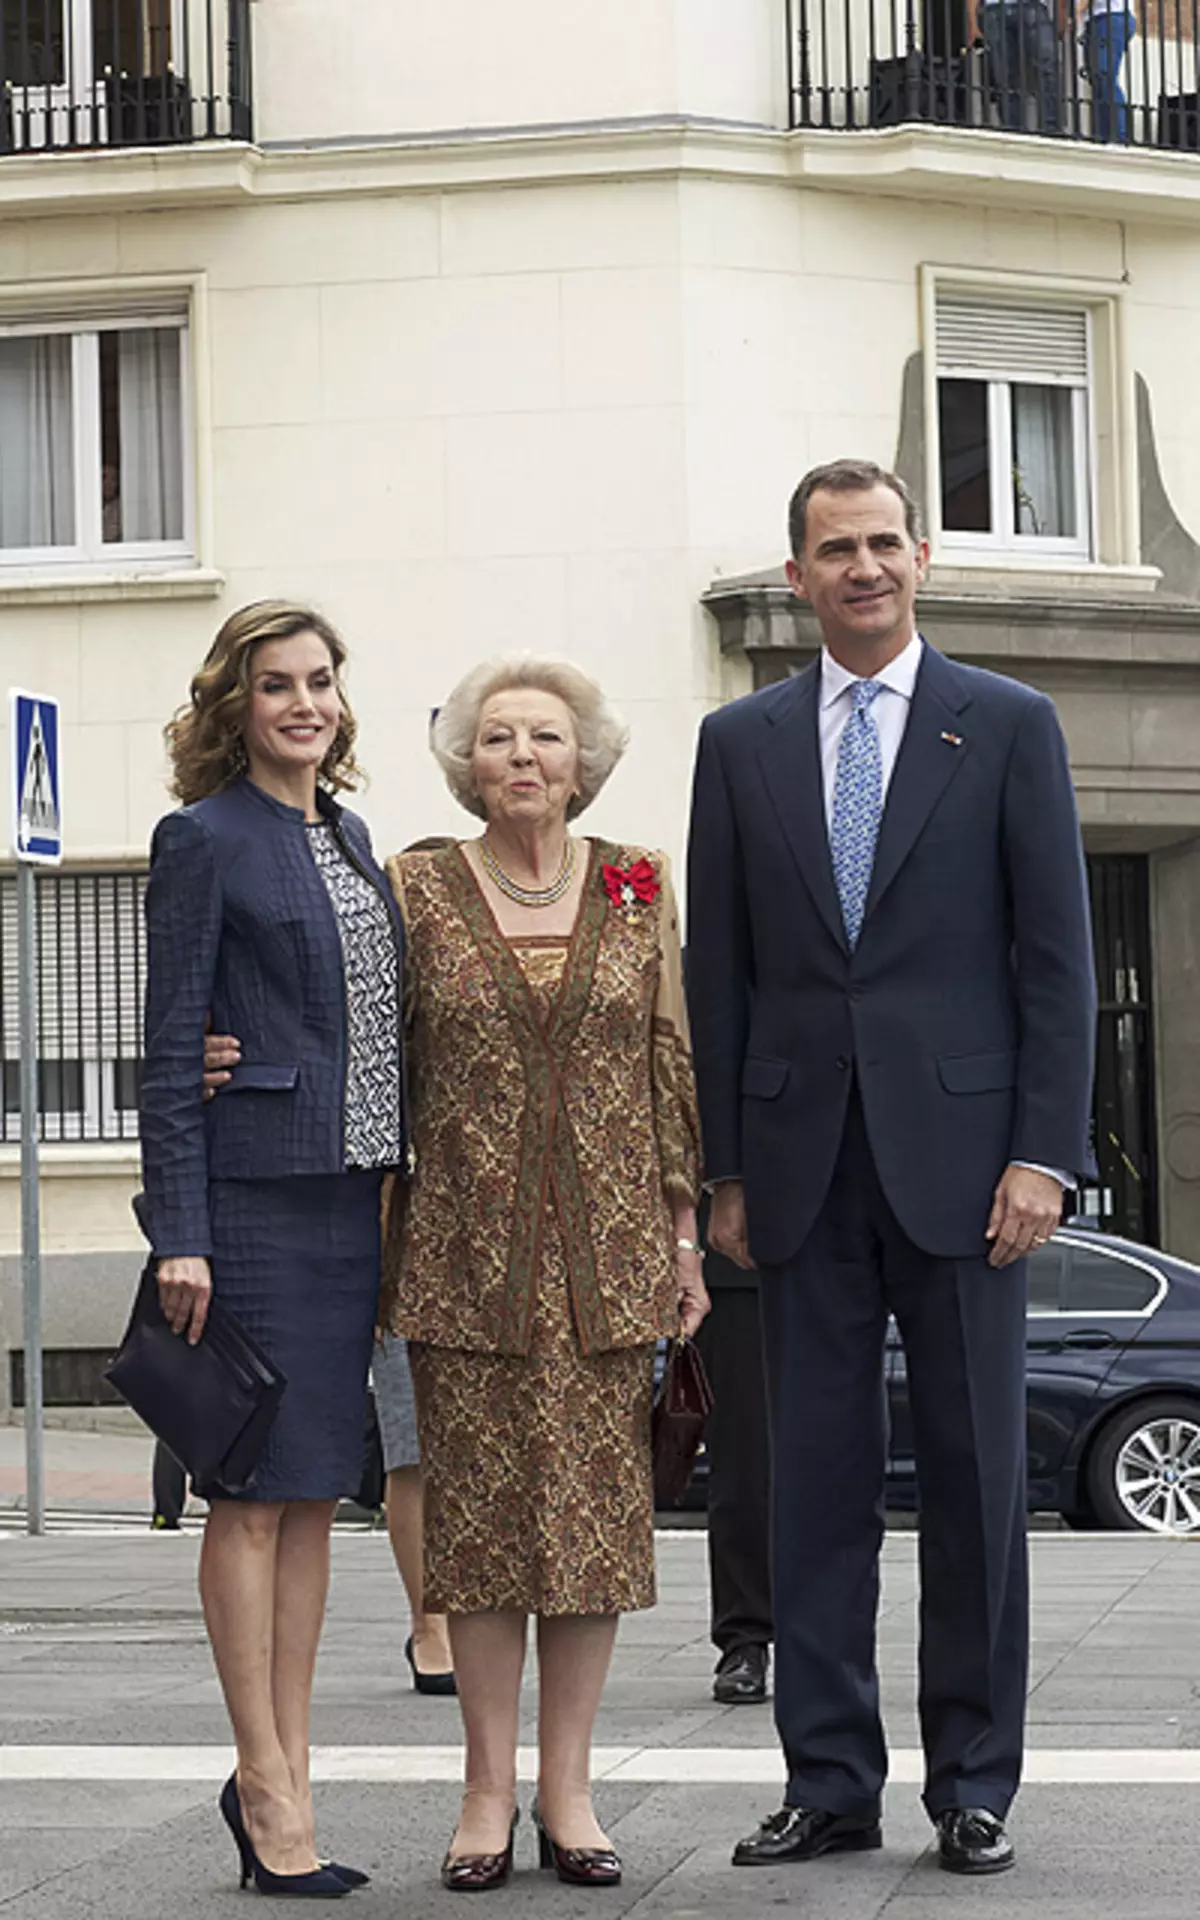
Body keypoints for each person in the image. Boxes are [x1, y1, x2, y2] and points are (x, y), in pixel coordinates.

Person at [685, 459, 1096, 1877]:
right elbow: (718, 969)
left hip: (972, 1168)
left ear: (921, 558)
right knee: (811, 1485)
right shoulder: (736, 743)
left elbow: (1058, 961)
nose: (862, 568)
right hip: (799, 1168)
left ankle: (973, 1782)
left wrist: (1045, 1151)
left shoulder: (1010, 726)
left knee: (981, 1483)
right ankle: (830, 1779)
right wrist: (722, 1169)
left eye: (883, 544)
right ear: (797, 576)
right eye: (833, 550)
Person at [381, 656, 709, 1893]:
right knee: (475, 1534)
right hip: (465, 1257)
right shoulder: (415, 886)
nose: (524, 755)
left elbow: (668, 1064)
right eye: (501, 738)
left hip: (611, 1255)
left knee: (593, 1537)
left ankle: (569, 1792)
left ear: (585, 761)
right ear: (467, 761)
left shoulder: (636, 885)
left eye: (548, 738)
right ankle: (483, 1791)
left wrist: (684, 1238)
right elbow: (362, 1042)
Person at [138, 599, 408, 1899]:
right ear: (234, 708)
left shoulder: (353, 840)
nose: (304, 703)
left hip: (349, 1206)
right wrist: (178, 1232)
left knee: (311, 1501)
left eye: (320, 682)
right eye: (276, 686)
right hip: (247, 1210)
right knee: (250, 1500)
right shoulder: (202, 839)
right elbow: (167, 1048)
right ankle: (265, 1779)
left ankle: (285, 1772)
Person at [692, 1214, 772, 1705]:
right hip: (739, 1249)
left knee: (844, 1472)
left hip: (848, 1239)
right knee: (743, 1468)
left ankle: (832, 1640)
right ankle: (745, 1640)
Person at [371, 1328, 456, 1693]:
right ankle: (429, 1622)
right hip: (406, 1285)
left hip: (498, 1284)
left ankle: (475, 1615)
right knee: (411, 1443)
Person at [969, 0, 1062, 133]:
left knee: (1047, 66)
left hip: (1028, 6)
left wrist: (1060, 14)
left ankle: (1051, 127)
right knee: (1005, 75)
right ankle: (1014, 128)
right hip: (996, 9)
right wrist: (972, 22)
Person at [1078, 0, 1135, 141]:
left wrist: (1075, 13)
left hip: (1109, 17)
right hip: (1103, 19)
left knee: (1104, 75)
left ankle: (1119, 135)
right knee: (1099, 79)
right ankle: (1104, 134)